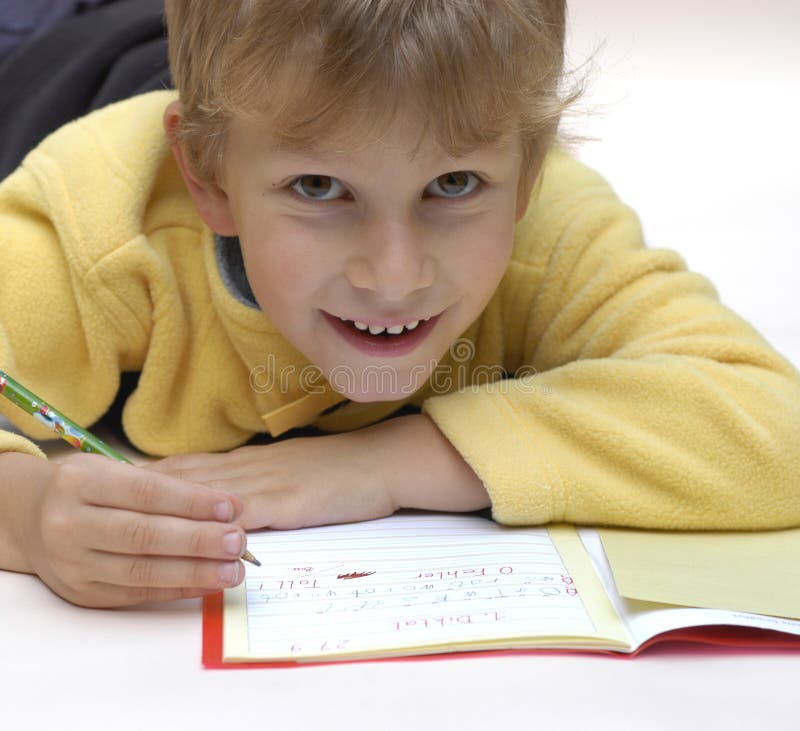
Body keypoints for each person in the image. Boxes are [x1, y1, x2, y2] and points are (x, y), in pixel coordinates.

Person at [1, 0, 798, 609]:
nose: (394, 276)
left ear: (530, 169)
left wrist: (388, 463)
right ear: (207, 177)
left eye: (453, 184)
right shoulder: (101, 231)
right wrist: (26, 514)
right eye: (319, 187)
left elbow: (771, 420)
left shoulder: (549, 225)